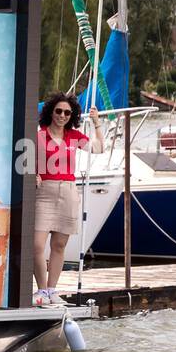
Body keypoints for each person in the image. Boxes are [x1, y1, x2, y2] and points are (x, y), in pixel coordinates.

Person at [34, 92, 103, 305]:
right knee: (36, 246)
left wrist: (97, 123)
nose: (62, 115)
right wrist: (33, 174)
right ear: (50, 112)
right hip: (44, 192)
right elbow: (26, 163)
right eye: (58, 111)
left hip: (68, 192)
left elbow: (98, 149)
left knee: (59, 245)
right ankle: (41, 290)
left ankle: (52, 291)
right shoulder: (38, 136)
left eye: (67, 112)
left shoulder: (74, 137)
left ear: (71, 115)